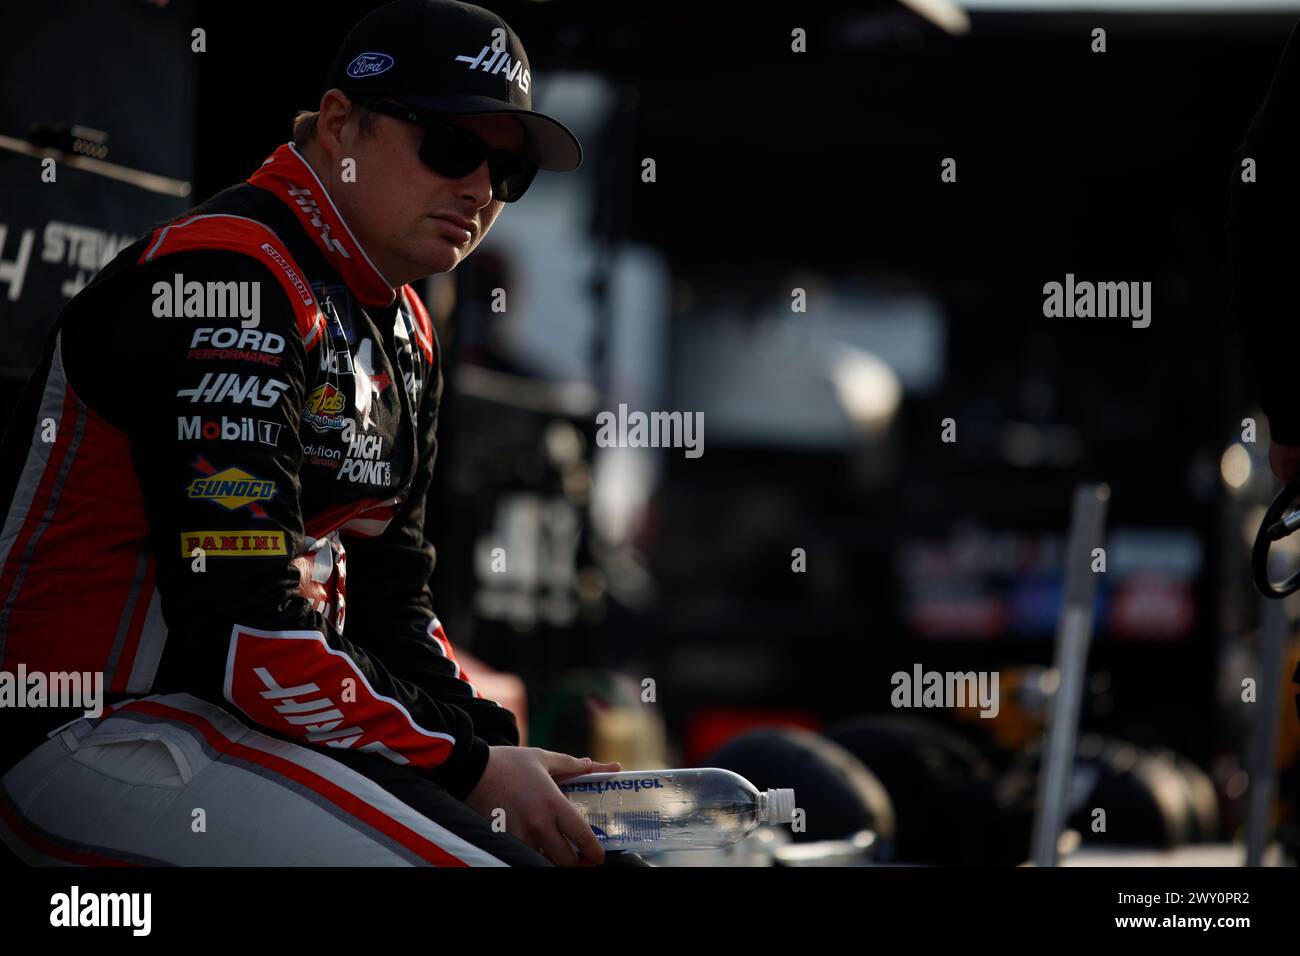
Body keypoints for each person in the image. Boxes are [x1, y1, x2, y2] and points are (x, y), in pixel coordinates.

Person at [0, 0, 626, 867]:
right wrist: (468, 763)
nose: (481, 189)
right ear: (340, 125)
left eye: (508, 171)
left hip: (251, 728)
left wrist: (492, 747)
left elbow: (393, 606)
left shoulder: (405, 325)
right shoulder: (228, 277)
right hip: (98, 733)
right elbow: (243, 624)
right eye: (451, 147)